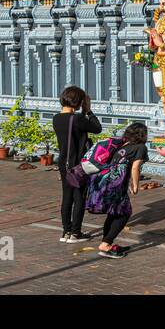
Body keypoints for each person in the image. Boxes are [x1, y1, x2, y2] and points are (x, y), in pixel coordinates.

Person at [85, 121, 149, 259]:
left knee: (114, 213)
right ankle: (106, 244)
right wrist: (136, 185)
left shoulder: (122, 145)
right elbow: (135, 167)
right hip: (115, 184)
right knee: (124, 213)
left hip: (103, 180)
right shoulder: (140, 147)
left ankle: (106, 242)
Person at [52, 86, 102, 243]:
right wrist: (88, 111)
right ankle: (75, 233)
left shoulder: (56, 118)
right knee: (79, 197)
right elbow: (97, 128)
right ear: (78, 101)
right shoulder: (78, 119)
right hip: (78, 164)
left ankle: (66, 231)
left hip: (64, 163)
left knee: (67, 197)